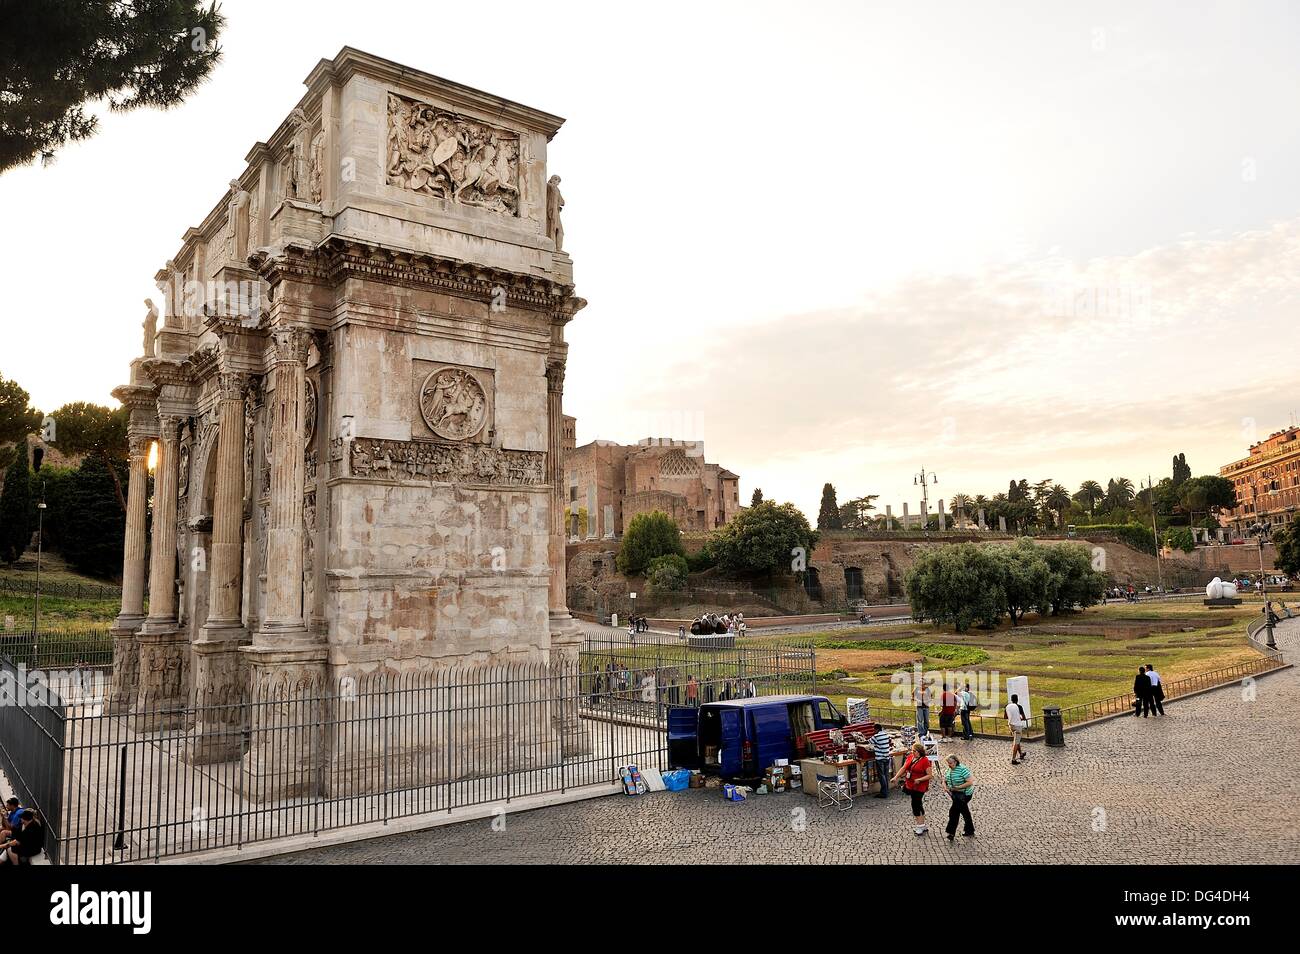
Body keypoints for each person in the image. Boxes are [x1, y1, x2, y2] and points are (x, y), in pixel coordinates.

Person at [891, 740, 933, 835]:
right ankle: (922, 825)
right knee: (918, 804)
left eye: (914, 751)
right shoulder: (910, 757)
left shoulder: (925, 760)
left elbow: (930, 775)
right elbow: (904, 768)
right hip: (911, 785)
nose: (912, 752)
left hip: (920, 786)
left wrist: (920, 779)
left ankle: (919, 826)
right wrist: (896, 777)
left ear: (919, 751)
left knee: (915, 804)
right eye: (912, 751)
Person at [942, 754, 975, 841]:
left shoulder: (962, 769)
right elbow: (944, 780)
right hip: (955, 795)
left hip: (964, 795)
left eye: (951, 763)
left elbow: (970, 782)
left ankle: (951, 832)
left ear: (955, 762)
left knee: (953, 812)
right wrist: (945, 787)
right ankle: (970, 829)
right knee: (964, 811)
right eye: (948, 763)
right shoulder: (948, 770)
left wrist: (958, 787)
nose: (949, 765)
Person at [1005, 693, 1029, 765]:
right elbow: (1023, 717)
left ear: (1011, 700)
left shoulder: (1007, 706)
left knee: (1016, 740)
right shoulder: (1019, 707)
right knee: (1016, 742)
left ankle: (1021, 754)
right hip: (1017, 726)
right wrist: (1020, 718)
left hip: (1011, 725)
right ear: (1017, 699)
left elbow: (1005, 716)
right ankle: (1013, 759)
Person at [871, 723, 893, 798]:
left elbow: (868, 742)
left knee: (881, 776)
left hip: (880, 758)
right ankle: (886, 790)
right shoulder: (886, 735)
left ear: (876, 729)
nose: (873, 731)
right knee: (886, 775)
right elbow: (890, 742)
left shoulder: (876, 736)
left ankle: (884, 793)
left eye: (874, 730)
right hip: (887, 757)